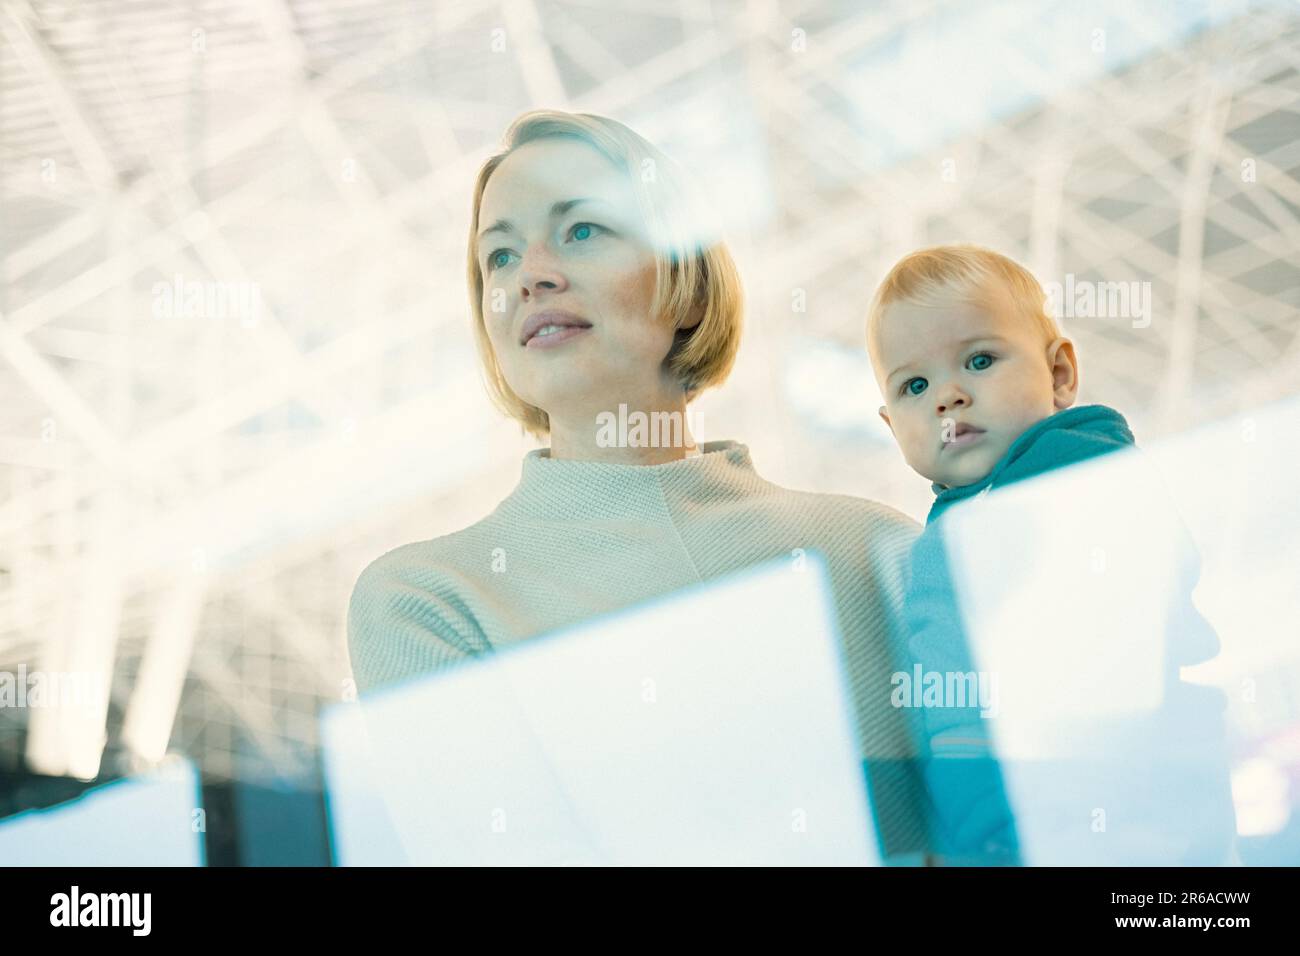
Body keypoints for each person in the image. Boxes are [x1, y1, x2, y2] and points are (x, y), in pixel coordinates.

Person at [347, 110, 932, 861]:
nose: (530, 275)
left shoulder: (871, 548)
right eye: (498, 256)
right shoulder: (427, 601)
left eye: (582, 230)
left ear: (685, 285)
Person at [867, 242, 1237, 864]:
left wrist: (985, 826)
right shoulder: (960, 525)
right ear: (890, 424)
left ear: (1060, 374)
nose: (947, 397)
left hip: (1075, 813)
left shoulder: (1072, 478)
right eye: (915, 385)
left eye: (979, 359)